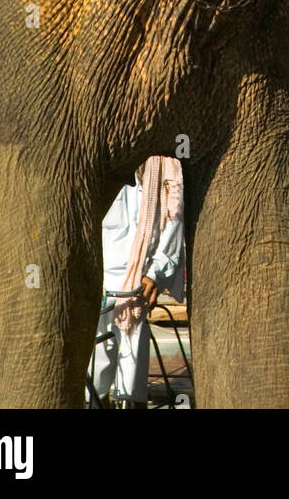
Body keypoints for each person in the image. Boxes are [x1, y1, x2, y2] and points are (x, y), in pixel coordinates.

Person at [93, 156, 185, 408]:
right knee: (94, 376)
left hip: (140, 286)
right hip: (101, 286)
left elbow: (173, 224)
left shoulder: (165, 170)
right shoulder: (102, 167)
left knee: (132, 382)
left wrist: (155, 274)